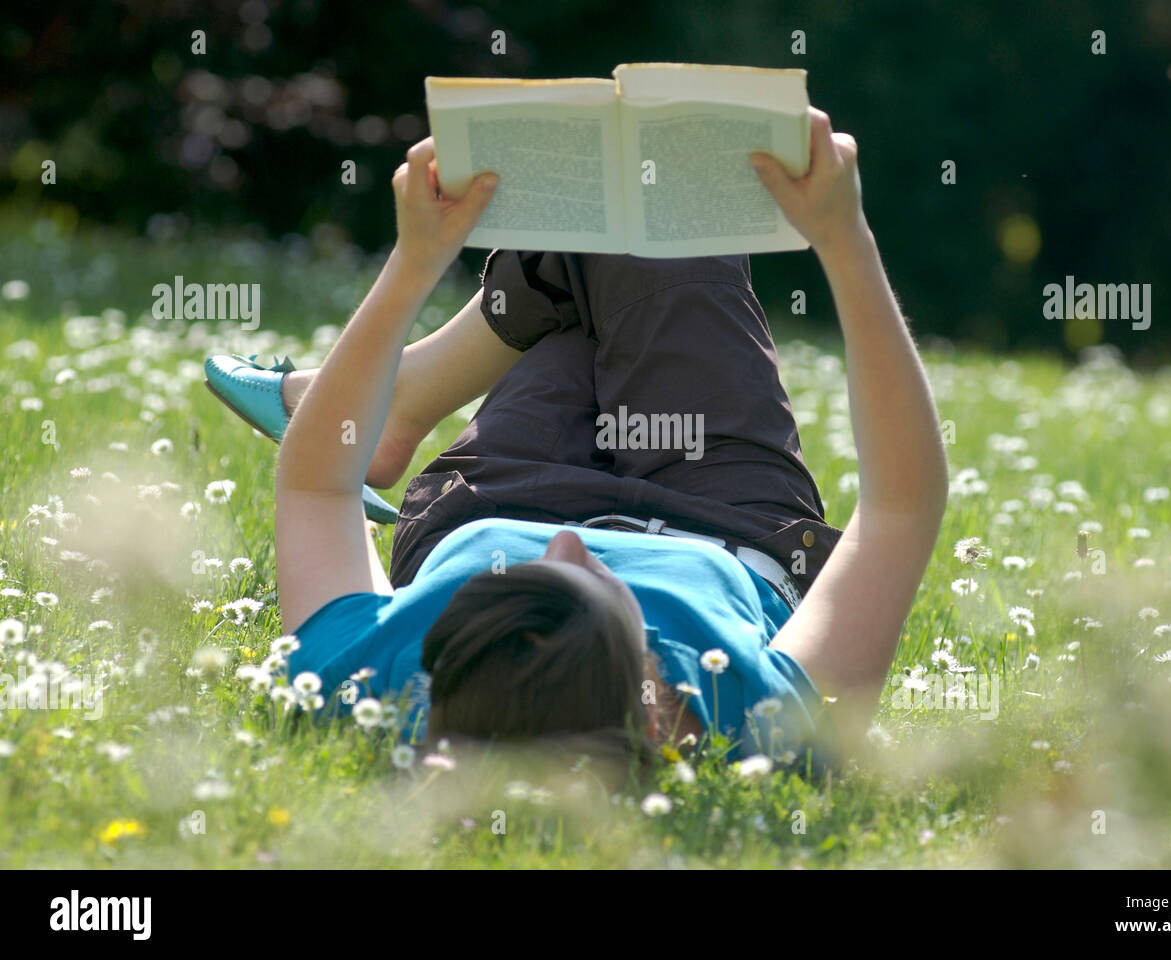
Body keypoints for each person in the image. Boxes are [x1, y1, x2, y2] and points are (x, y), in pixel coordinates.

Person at [204, 108, 948, 774]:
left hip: (497, 499)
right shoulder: (762, 721)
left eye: (514, 583)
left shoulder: (365, 681)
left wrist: (415, 262)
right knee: (654, 203)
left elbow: (316, 485)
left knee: (605, 203)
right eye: (593, 585)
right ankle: (412, 395)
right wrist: (846, 242)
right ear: (657, 699)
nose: (569, 547)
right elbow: (899, 511)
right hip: (728, 519)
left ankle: (409, 396)